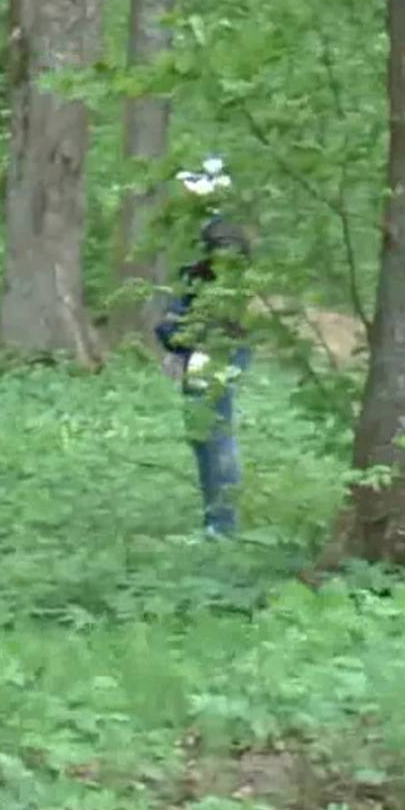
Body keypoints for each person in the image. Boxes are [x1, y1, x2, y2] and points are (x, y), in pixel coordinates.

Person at [154, 156, 252, 539]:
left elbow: (220, 303)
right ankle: (215, 518)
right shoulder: (204, 233)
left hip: (214, 347)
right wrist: (177, 349)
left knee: (214, 432)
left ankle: (221, 525)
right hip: (201, 347)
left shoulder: (225, 236)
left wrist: (190, 342)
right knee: (202, 432)